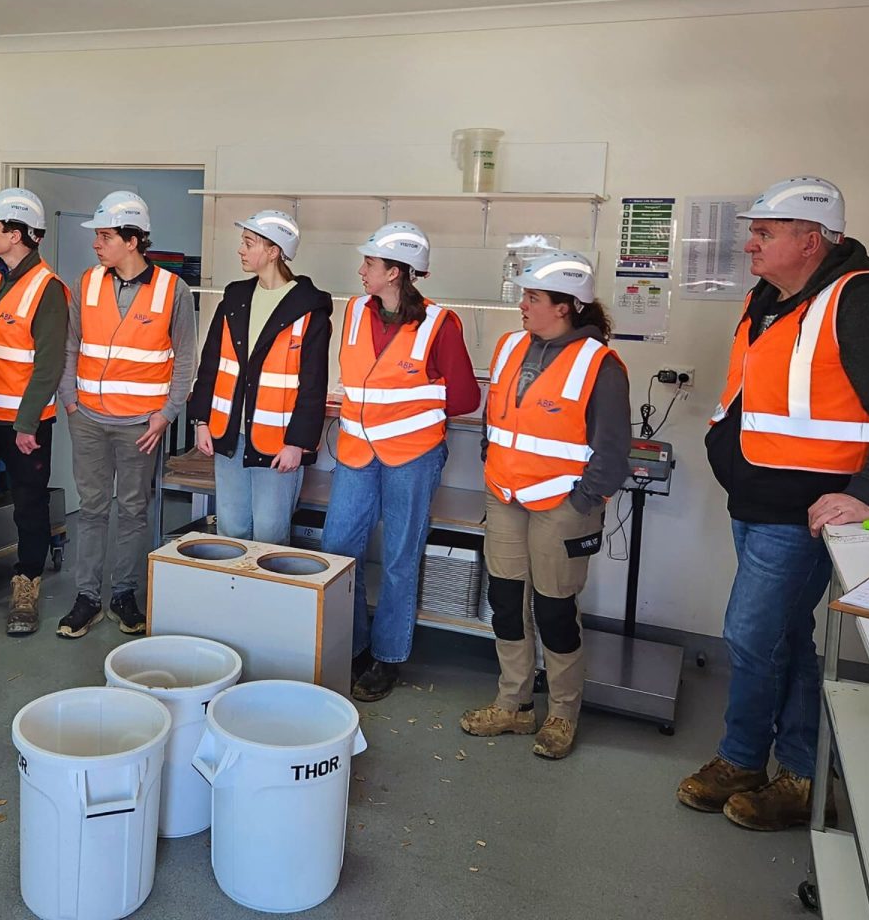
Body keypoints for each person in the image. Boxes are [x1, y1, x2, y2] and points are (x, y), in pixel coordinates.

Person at [679, 176, 869, 830]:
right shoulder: (769, 300)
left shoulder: (860, 302)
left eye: (765, 233)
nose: (750, 245)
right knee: (787, 637)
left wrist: (865, 497)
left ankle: (745, 758)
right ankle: (799, 776)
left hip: (801, 514)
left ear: (811, 238)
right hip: (755, 499)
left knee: (750, 633)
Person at [460, 251, 630, 760]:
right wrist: (493, 470)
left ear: (566, 307)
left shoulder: (600, 364)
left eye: (533, 298)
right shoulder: (512, 344)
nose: (523, 306)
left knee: (555, 612)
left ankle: (562, 713)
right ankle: (513, 703)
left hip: (562, 506)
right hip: (506, 498)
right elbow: (497, 417)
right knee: (507, 605)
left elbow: (613, 450)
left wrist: (584, 500)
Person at [321, 221, 480, 702]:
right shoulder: (352, 310)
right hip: (356, 451)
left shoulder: (440, 323)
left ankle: (388, 658)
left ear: (395, 272)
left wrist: (409, 411)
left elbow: (466, 397)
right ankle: (351, 645)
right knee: (337, 548)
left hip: (413, 457)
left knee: (398, 558)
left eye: (370, 263)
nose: (361, 270)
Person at [56, 190, 197, 639]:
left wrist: (167, 414)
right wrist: (70, 399)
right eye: (97, 236)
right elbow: (71, 343)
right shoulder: (86, 283)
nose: (97, 245)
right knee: (93, 509)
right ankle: (87, 598)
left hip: (142, 425)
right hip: (89, 420)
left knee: (135, 512)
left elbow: (185, 360)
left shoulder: (173, 290)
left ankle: (123, 594)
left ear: (133, 240)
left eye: (104, 236)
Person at [189, 210, 333, 543]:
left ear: (274, 251)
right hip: (228, 436)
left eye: (249, 243)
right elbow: (211, 363)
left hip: (278, 444)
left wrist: (298, 444)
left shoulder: (309, 309)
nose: (241, 249)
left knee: (270, 533)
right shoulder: (234, 298)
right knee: (232, 531)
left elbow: (313, 385)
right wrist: (200, 421)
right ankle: (233, 597)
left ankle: (267, 597)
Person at [0, 188, 69, 636]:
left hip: (25, 423)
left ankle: (26, 587)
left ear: (18, 234)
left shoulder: (48, 289)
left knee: (29, 505)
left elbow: (49, 365)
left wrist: (26, 423)